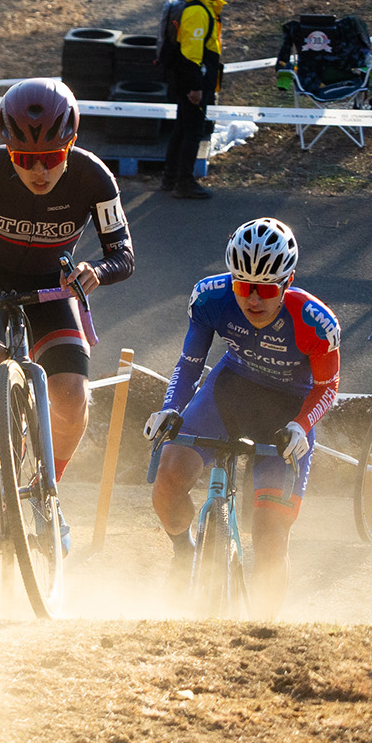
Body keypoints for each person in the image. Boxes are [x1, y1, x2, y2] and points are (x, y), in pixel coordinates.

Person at [0, 77, 133, 556]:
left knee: (72, 395)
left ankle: (45, 493)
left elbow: (124, 254)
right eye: (24, 158)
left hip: (52, 284)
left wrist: (95, 270)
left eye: (52, 158)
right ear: (6, 149)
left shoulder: (94, 178)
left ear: (71, 145)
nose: (38, 170)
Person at [144, 219, 339, 616]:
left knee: (269, 535)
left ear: (288, 282)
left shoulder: (316, 322)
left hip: (287, 412)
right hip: (230, 392)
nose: (252, 299)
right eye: (242, 286)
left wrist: (301, 426)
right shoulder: (209, 299)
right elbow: (191, 362)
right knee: (168, 476)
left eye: (266, 289)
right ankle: (185, 554)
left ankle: (263, 633)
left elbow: (327, 387)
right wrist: (171, 407)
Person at [161, 0, 230, 200]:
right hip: (192, 83)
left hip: (190, 81)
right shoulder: (198, 11)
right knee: (193, 131)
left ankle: (170, 178)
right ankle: (184, 182)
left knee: (182, 128)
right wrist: (195, 88)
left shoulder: (207, 7)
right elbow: (191, 55)